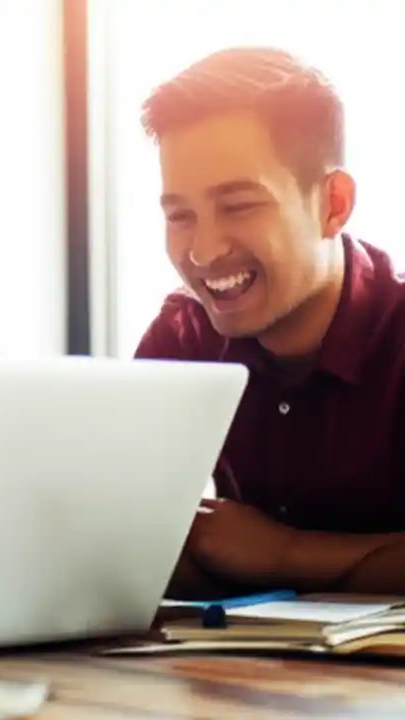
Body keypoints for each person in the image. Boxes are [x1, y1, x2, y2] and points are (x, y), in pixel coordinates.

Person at [135, 46, 405, 596]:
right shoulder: (182, 340)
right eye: (180, 215)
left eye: (238, 206)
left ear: (334, 204)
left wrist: (284, 554)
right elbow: (123, 543)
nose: (204, 253)